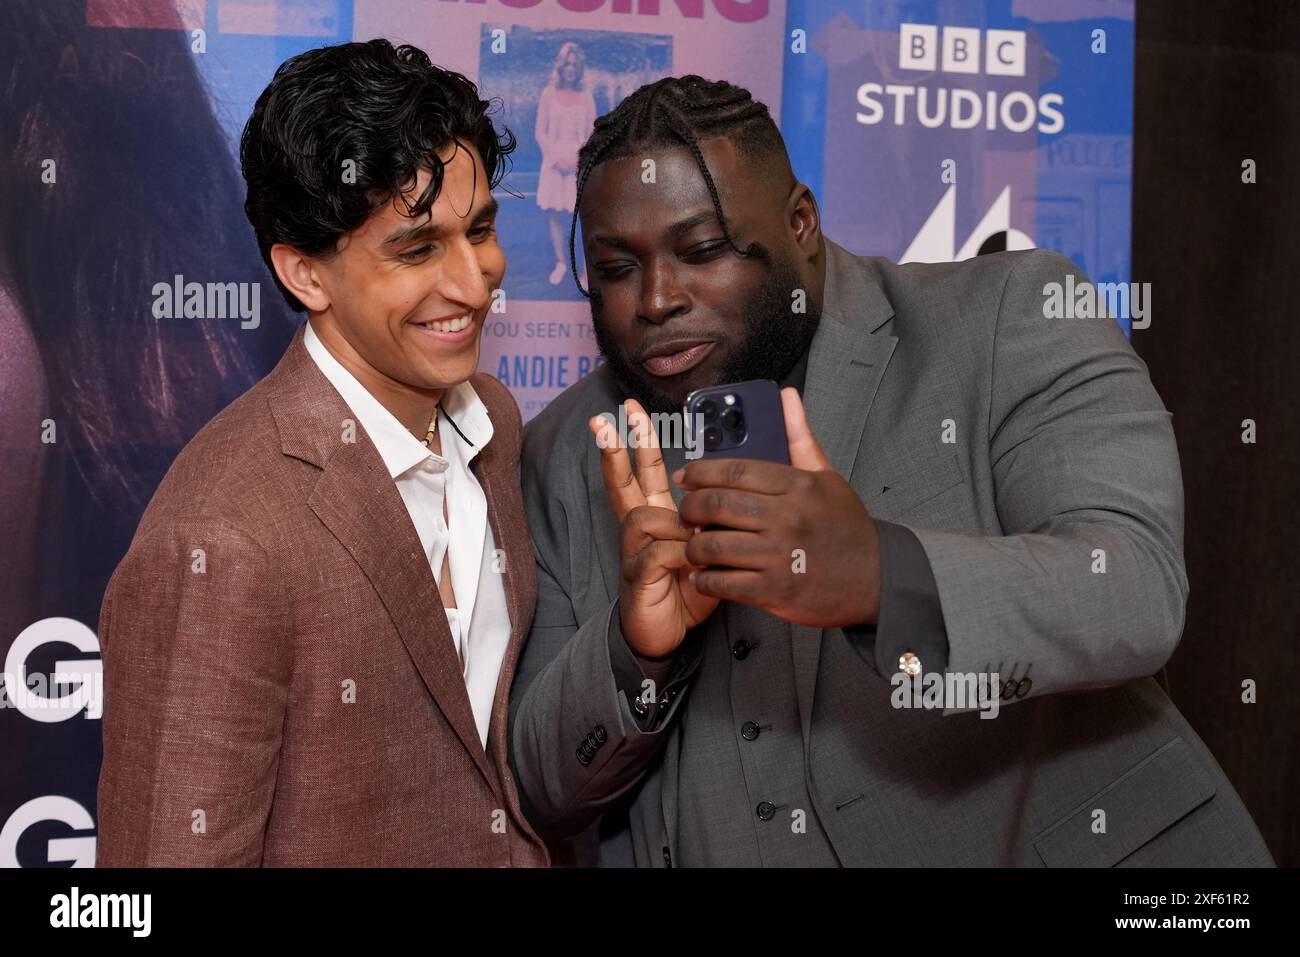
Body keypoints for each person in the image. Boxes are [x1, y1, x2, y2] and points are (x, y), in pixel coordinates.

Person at [508, 75, 1274, 867]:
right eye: (614, 269)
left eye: (703, 250)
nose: (657, 299)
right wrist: (636, 652)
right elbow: (542, 784)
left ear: (801, 222)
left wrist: (881, 574)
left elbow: (1134, 589)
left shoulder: (1009, 314)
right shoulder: (564, 450)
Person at [96, 40, 547, 867]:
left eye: (478, 230)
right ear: (307, 275)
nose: (476, 282)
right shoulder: (223, 539)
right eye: (417, 249)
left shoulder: (496, 425)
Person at [535, 41, 596, 285]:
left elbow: (591, 131)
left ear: (580, 68)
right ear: (561, 66)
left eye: (575, 65)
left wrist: (576, 160)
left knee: (579, 218)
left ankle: (582, 270)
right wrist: (554, 159)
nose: (571, 69)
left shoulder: (586, 95)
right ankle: (561, 263)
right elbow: (540, 132)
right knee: (555, 215)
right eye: (567, 64)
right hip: (553, 164)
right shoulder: (548, 94)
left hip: (577, 164)